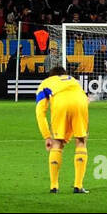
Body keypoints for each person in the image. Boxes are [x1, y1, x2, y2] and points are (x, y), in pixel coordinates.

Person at [34, 66, 90, 194]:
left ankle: (54, 186)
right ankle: (78, 185)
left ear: (50, 75)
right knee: (81, 141)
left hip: (60, 104)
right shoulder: (73, 80)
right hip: (80, 102)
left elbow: (40, 112)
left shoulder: (45, 83)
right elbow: (85, 99)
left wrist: (47, 136)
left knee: (57, 143)